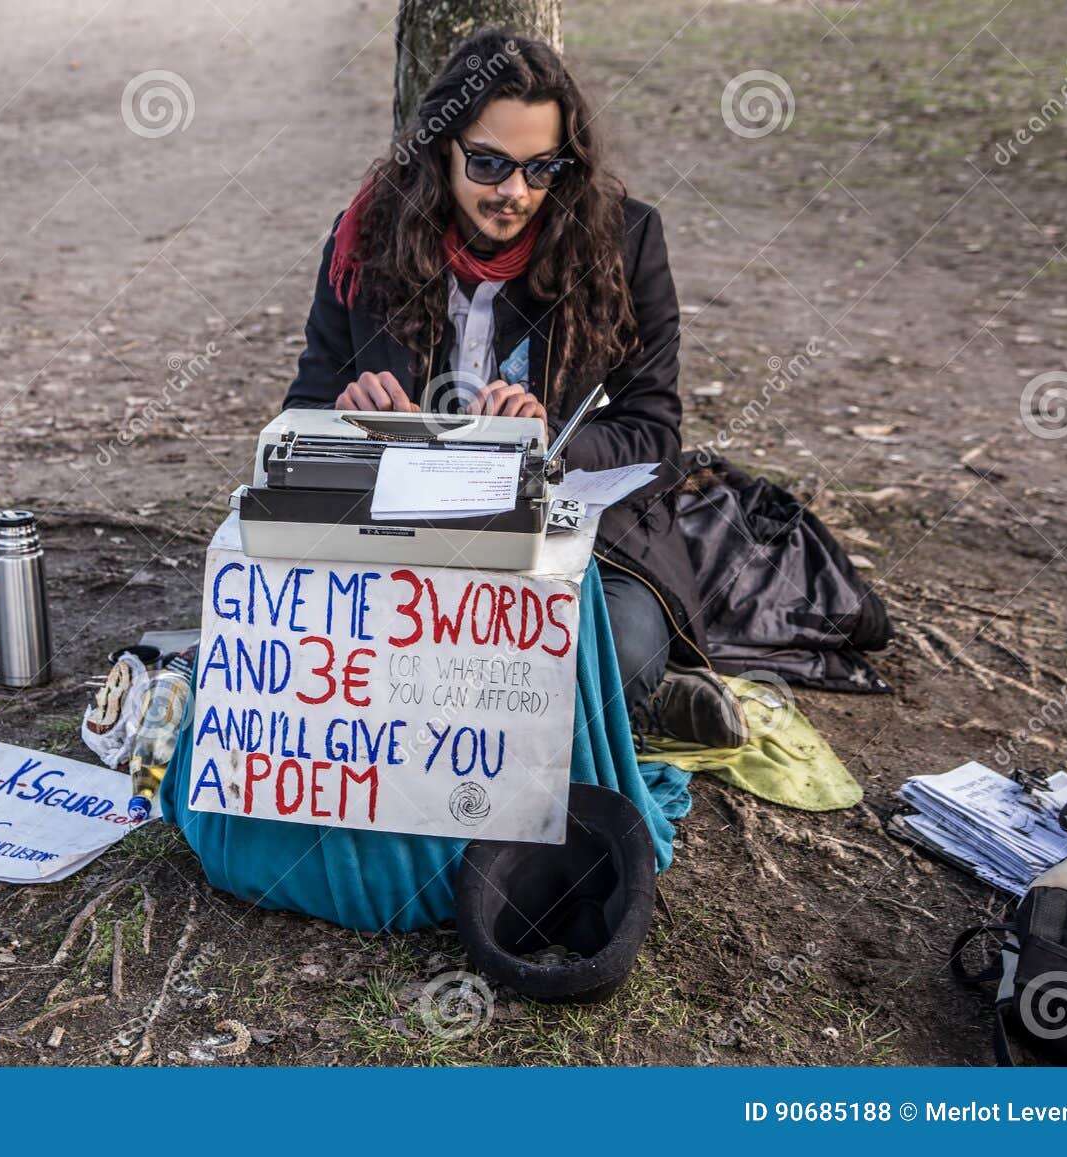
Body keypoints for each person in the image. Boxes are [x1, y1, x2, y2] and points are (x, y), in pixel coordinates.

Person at [283, 29, 746, 748]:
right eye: (490, 163)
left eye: (541, 168)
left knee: (616, 654)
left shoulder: (622, 242)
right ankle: (611, 713)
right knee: (322, 649)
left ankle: (635, 695)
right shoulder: (368, 238)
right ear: (442, 149)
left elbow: (654, 434)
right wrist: (349, 420)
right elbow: (304, 410)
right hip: (400, 534)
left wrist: (547, 444)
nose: (515, 193)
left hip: (576, 542)